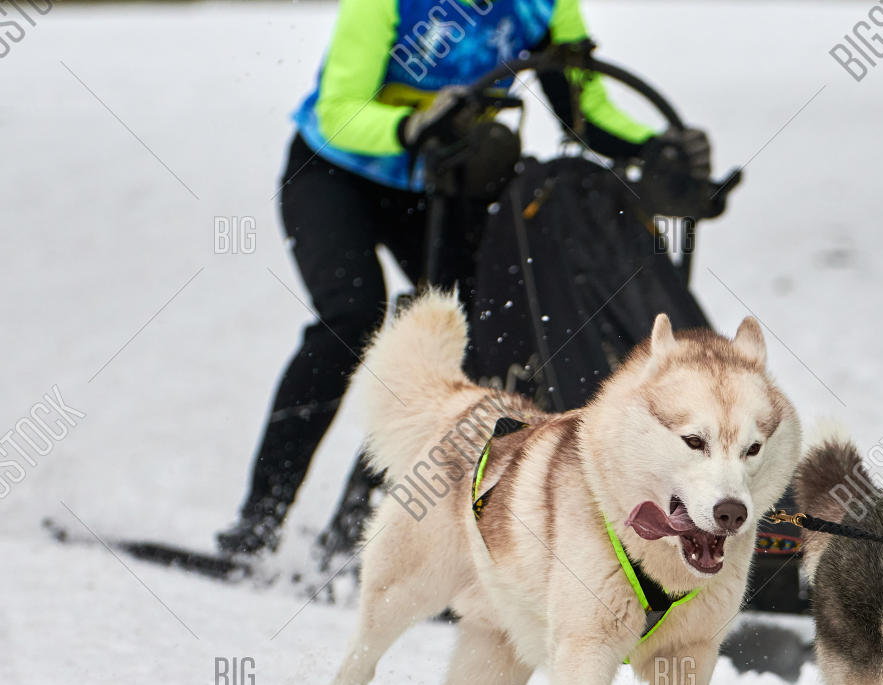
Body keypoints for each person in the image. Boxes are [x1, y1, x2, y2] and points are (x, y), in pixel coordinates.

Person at [219, 0, 711, 557]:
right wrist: (412, 126)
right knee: (350, 320)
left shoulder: (544, 6)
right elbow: (340, 111)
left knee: (459, 341)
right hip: (337, 176)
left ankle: (357, 533)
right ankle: (258, 521)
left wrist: (654, 149)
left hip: (443, 187)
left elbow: (583, 110)